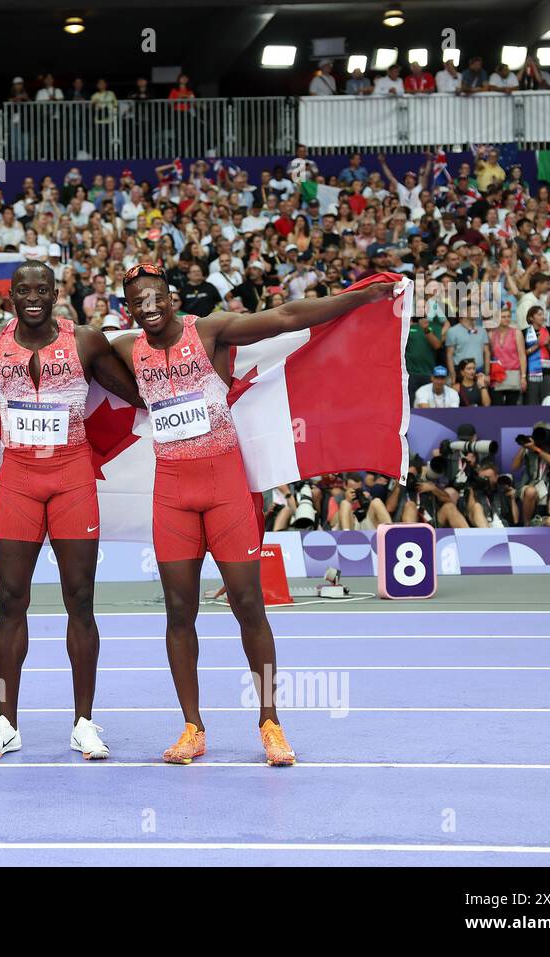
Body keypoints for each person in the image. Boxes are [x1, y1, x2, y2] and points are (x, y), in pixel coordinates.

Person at [114, 261, 398, 766]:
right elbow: (59, 346)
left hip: (226, 489)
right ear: (128, 309)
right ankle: (193, 728)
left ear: (173, 298)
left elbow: (288, 316)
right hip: (172, 495)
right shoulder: (123, 348)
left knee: (248, 605)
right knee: (180, 611)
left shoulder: (213, 329)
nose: (150, 307)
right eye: (139, 302)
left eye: (157, 297)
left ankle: (270, 723)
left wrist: (360, 299)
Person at [0, 261, 142, 760]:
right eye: (25, 290)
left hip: (71, 480)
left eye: (43, 288)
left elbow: (137, 391)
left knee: (80, 599)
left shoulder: (86, 341)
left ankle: (84, 721)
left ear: (56, 292)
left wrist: (193, 376)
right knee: (10, 599)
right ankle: (6, 721)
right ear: (10, 296)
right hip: (18, 481)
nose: (34, 297)